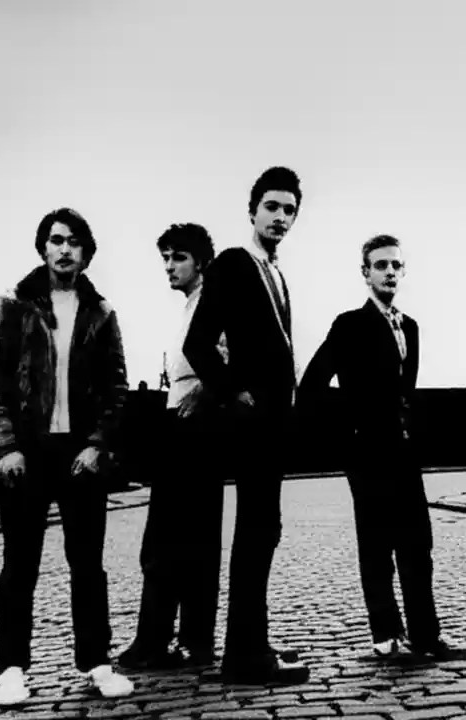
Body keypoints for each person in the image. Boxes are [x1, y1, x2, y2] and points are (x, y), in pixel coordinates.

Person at [0, 207, 134, 705]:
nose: (65, 249)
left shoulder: (102, 313)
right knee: (19, 564)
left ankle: (97, 662)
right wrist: (2, 447)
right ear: (43, 247)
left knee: (88, 564)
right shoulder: (13, 305)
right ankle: (11, 669)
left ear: (86, 253)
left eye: (74, 242)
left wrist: (97, 444)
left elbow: (116, 388)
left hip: (80, 455)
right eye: (56, 240)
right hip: (29, 451)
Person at [298, 234, 466, 662]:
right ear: (365, 273)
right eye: (381, 265)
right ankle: (387, 639)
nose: (390, 272)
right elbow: (311, 388)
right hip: (367, 456)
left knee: (418, 547)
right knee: (377, 549)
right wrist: (349, 438)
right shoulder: (349, 325)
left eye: (396, 265)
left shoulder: (409, 327)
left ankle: (427, 638)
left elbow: (404, 393)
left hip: (404, 454)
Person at [182, 167, 309, 685]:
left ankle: (250, 642)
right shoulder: (235, 264)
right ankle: (244, 655)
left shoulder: (277, 273)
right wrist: (233, 389)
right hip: (252, 423)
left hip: (275, 423)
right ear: (252, 210)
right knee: (256, 532)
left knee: (265, 531)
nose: (281, 218)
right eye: (272, 207)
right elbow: (197, 343)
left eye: (290, 211)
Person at [119, 223, 225, 671]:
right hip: (181, 426)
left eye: (178, 257)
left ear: (200, 261)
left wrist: (206, 393)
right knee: (177, 540)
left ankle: (170, 641)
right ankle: (177, 640)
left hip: (198, 431)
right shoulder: (189, 306)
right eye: (165, 258)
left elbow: (233, 359)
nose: (169, 266)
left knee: (178, 541)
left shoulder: (216, 304)